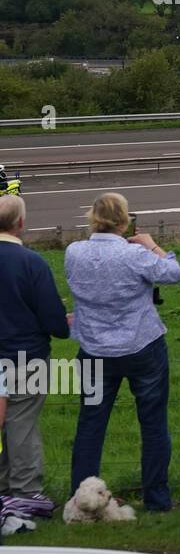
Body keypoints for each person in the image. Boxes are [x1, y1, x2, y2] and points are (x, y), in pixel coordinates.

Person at [65, 192, 180, 512]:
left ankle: (80, 499)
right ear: (124, 220)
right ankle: (157, 498)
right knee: (153, 422)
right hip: (140, 344)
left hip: (93, 348)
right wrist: (152, 245)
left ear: (93, 217)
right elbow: (174, 273)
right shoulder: (134, 255)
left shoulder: (74, 252)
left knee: (90, 424)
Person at [0, 195, 69, 502]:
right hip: (25, 357)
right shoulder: (32, 263)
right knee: (22, 426)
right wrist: (62, 325)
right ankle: (25, 495)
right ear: (22, 223)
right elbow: (53, 319)